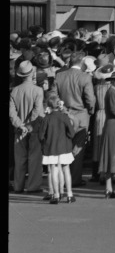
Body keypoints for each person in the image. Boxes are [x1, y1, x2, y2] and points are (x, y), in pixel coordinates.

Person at [52, 50, 96, 188]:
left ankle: (63, 179)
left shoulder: (59, 75)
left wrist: (61, 107)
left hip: (64, 113)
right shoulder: (85, 77)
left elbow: (53, 96)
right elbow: (90, 99)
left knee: (64, 147)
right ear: (82, 62)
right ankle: (75, 179)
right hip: (81, 114)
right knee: (78, 148)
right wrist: (90, 110)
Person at [10, 59, 45, 195]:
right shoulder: (38, 90)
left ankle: (18, 186)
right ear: (31, 74)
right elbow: (37, 111)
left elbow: (11, 113)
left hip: (19, 130)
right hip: (34, 128)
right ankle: (32, 186)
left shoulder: (14, 91)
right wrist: (29, 126)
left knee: (20, 159)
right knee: (35, 158)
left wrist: (20, 125)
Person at [37, 90, 76, 205]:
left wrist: (45, 142)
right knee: (66, 170)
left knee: (53, 170)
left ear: (48, 106)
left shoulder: (46, 118)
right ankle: (69, 194)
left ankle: (56, 195)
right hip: (64, 147)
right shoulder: (64, 116)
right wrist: (67, 137)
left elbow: (40, 135)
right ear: (59, 104)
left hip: (51, 148)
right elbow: (72, 133)